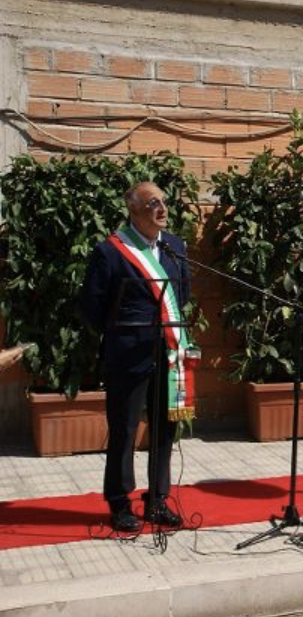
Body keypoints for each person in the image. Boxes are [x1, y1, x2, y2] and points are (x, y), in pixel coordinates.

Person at [78, 181, 194, 532]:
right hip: (128, 353)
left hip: (168, 351)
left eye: (164, 202)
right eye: (152, 203)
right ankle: (119, 502)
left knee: (164, 428)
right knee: (125, 429)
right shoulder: (110, 252)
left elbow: (183, 292)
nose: (162, 210)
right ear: (133, 210)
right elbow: (91, 307)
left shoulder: (174, 247)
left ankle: (157, 500)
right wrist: (122, 334)